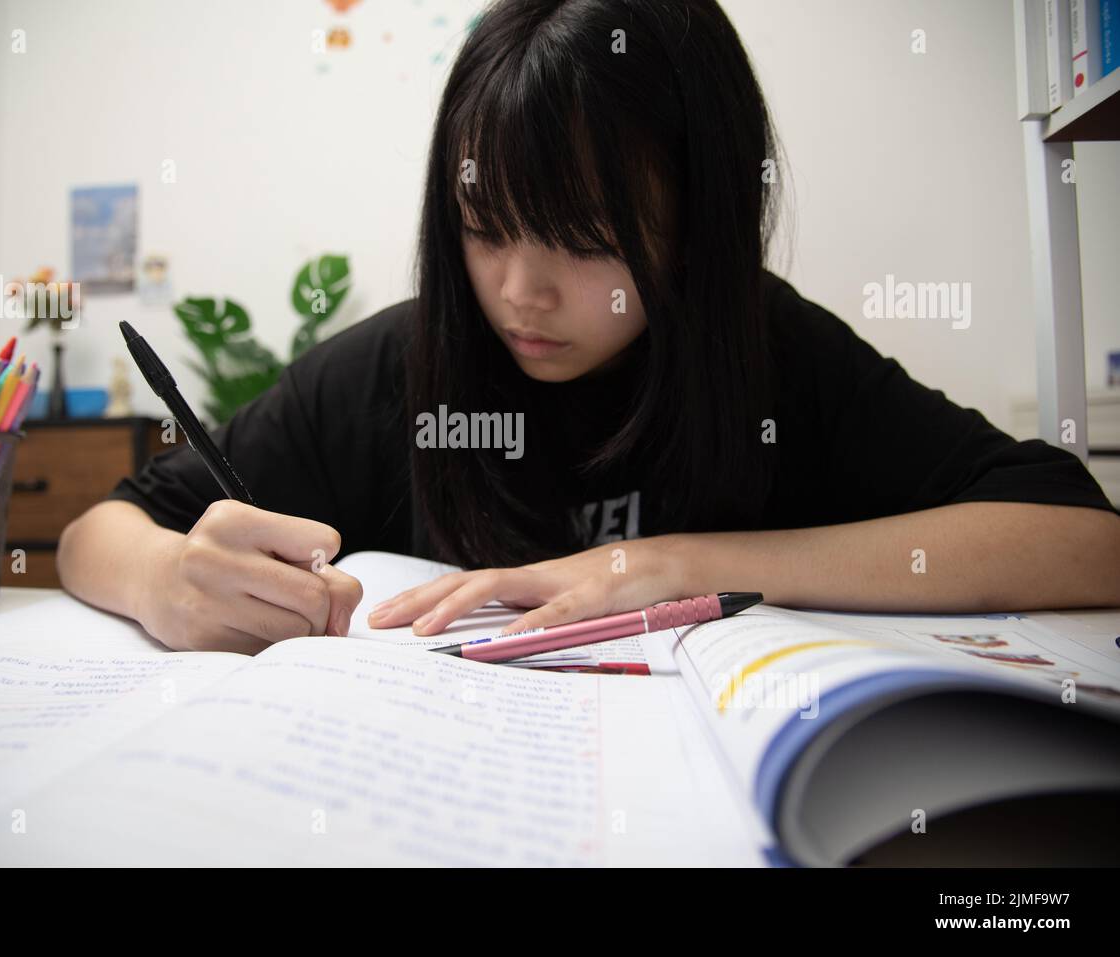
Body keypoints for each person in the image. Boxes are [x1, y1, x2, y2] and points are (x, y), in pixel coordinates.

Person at [56, 0, 1120, 654]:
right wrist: (164, 582)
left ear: (697, 221)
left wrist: (667, 564)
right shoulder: (397, 367)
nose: (520, 291)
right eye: (483, 229)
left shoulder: (767, 353)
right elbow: (97, 530)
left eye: (585, 240)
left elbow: (1086, 542)